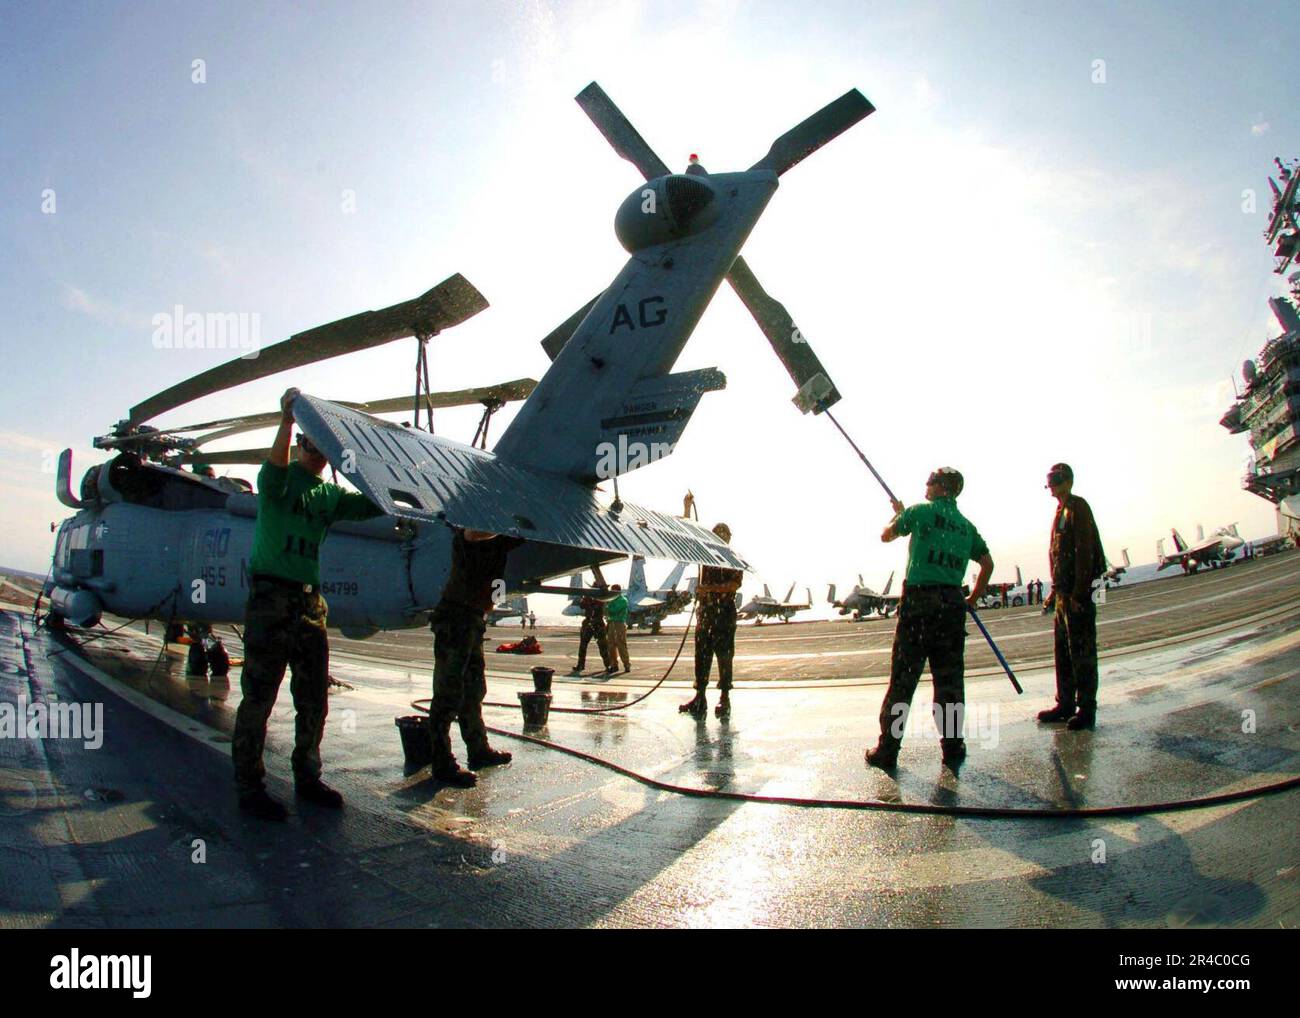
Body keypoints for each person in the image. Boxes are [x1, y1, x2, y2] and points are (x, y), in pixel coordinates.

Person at [233, 387, 385, 821]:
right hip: (271, 599)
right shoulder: (278, 482)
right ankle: (249, 786)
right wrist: (286, 420)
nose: (313, 451)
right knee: (258, 697)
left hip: (309, 604)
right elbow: (274, 466)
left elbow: (377, 504)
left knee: (314, 698)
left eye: (322, 447)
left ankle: (307, 776)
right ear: (299, 444)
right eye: (308, 442)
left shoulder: (330, 496)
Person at [866, 467, 993, 773]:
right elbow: (988, 563)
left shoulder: (920, 513)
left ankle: (888, 749)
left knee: (902, 682)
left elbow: (885, 536)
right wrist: (971, 600)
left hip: (919, 606)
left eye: (930, 481)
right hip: (951, 606)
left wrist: (899, 516)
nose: (926, 484)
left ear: (942, 487)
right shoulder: (966, 527)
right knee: (949, 683)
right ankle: (952, 748)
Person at [428, 528, 524, 787]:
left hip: (473, 619)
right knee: (448, 694)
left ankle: (478, 750)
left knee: (473, 690)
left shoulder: (502, 540)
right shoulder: (470, 530)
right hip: (455, 617)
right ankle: (442, 763)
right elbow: (475, 533)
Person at [1039, 463, 1105, 731]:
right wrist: (1055, 592)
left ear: (1067, 481)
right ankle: (1065, 703)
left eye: (1055, 480)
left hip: (1080, 594)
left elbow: (1084, 552)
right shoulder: (1060, 511)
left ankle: (1086, 708)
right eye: (1050, 481)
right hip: (1064, 595)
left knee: (1082, 652)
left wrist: (1079, 593)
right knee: (1064, 652)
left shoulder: (1078, 507)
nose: (1051, 487)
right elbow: (1058, 556)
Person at [681, 523, 743, 719]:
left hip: (723, 613)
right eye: (716, 533)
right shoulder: (704, 556)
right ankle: (700, 696)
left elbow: (733, 585)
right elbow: (686, 536)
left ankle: (725, 698)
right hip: (705, 612)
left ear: (729, 537)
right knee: (702, 655)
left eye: (723, 534)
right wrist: (687, 507)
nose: (719, 536)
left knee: (724, 656)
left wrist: (708, 589)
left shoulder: (734, 558)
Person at [571, 585, 613, 676]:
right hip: (590, 623)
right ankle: (581, 664)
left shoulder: (601, 597)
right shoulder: (589, 596)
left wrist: (591, 600)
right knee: (583, 646)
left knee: (602, 646)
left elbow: (602, 606)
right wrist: (587, 598)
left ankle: (608, 665)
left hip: (597, 623)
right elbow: (582, 605)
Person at [606, 583, 631, 673]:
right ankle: (614, 665)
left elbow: (613, 610)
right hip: (612, 623)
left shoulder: (622, 600)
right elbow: (606, 611)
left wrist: (607, 604)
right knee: (611, 646)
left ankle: (626, 664)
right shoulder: (612, 600)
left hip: (619, 624)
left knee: (621, 645)